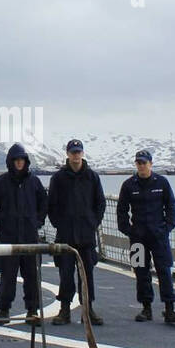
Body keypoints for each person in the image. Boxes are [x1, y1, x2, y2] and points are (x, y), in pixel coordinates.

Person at [0, 143, 48, 325]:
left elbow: (44, 204)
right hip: (8, 238)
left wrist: (37, 221)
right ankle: (4, 309)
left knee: (32, 276)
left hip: (30, 238)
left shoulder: (34, 182)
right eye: (16, 160)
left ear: (25, 161)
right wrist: (1, 220)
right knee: (7, 276)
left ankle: (32, 310)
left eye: (21, 160)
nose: (19, 163)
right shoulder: (0, 182)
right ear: (10, 162)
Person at [116, 149, 175, 323]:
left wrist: (167, 227)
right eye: (139, 163)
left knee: (164, 270)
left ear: (150, 164)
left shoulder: (162, 183)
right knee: (140, 271)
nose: (141, 166)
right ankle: (146, 308)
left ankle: (169, 309)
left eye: (144, 163)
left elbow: (171, 206)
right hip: (138, 237)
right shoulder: (128, 185)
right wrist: (127, 230)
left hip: (159, 236)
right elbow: (122, 210)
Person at [48, 139, 106, 325]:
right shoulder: (58, 178)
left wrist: (93, 223)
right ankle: (64, 310)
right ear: (68, 154)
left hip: (86, 236)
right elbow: (52, 204)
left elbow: (100, 203)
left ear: (82, 153)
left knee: (86, 275)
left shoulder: (92, 177)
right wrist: (59, 224)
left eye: (78, 152)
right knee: (65, 274)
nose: (76, 155)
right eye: (73, 152)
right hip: (65, 235)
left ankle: (87, 310)